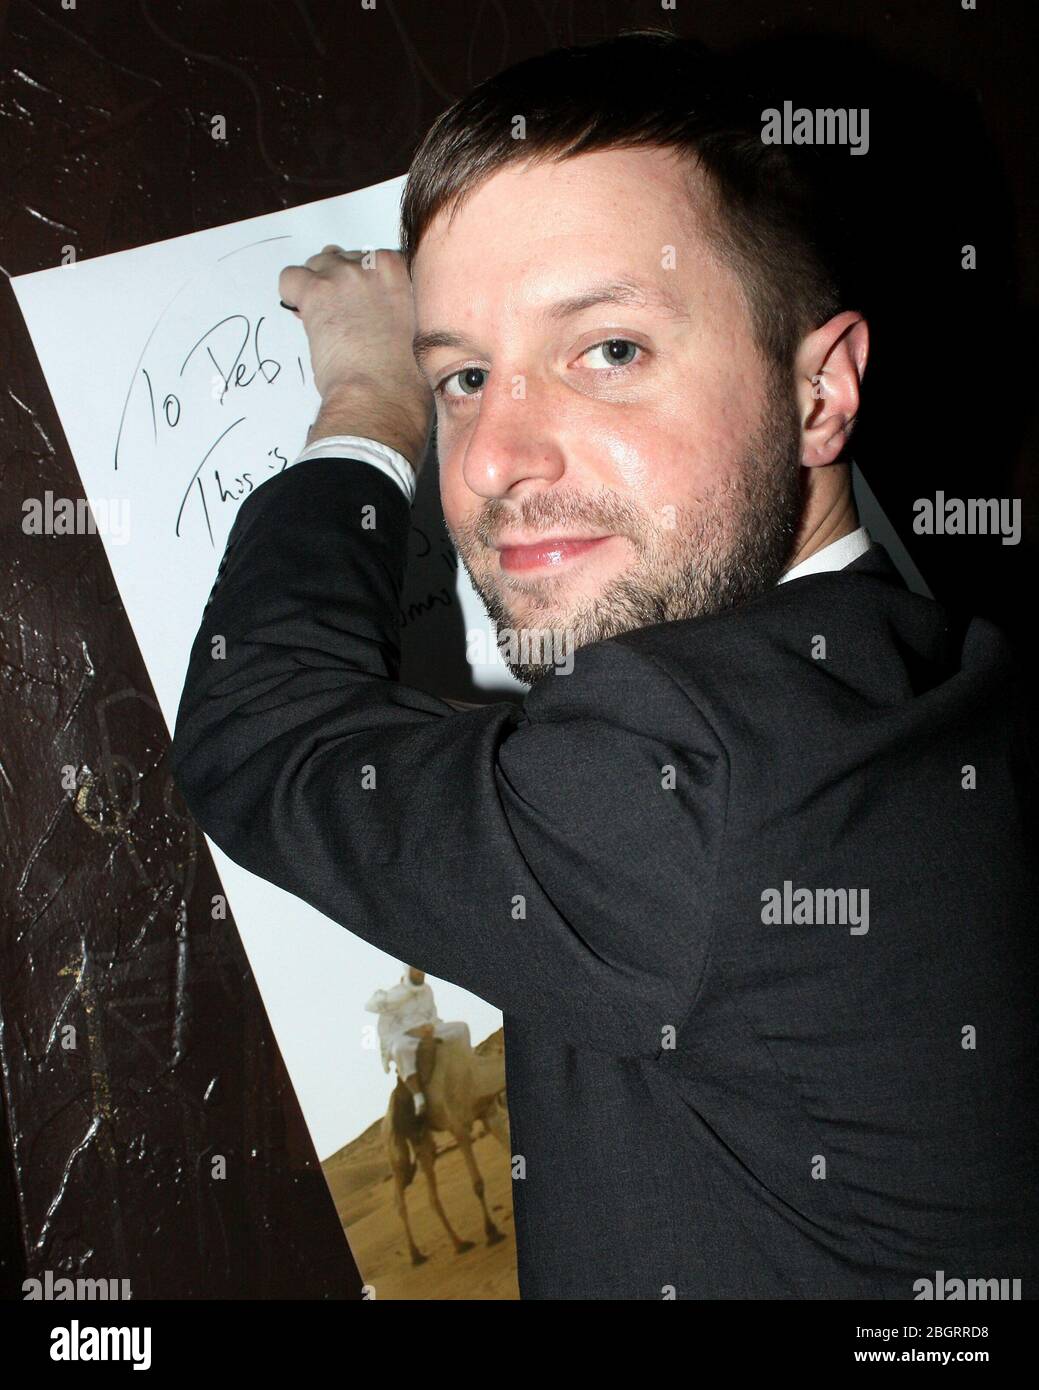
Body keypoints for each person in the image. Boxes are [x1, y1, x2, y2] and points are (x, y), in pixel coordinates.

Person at [170, 32, 1038, 1298]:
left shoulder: (698, 762)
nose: (490, 458)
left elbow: (263, 734)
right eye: (462, 376)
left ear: (819, 394)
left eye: (609, 350)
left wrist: (366, 406)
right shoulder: (923, 655)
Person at [365, 966, 471, 1118]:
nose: (421, 973)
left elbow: (432, 1014)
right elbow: (387, 1026)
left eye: (422, 970)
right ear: (408, 972)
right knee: (399, 1049)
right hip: (407, 1037)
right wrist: (413, 1031)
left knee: (461, 1028)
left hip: (431, 1030)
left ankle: (468, 1065)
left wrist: (430, 1026)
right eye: (416, 970)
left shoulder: (427, 990)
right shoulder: (395, 995)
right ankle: (417, 1095)